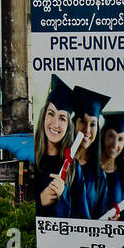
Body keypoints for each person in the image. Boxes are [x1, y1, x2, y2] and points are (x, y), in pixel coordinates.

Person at [28, 74, 77, 217]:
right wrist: (40, 201)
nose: (55, 124)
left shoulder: (73, 167)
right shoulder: (31, 159)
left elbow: (83, 219)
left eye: (62, 118)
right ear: (44, 116)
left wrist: (63, 195)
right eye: (51, 114)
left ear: (68, 126)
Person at [68, 85, 109, 219]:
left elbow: (101, 216)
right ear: (73, 123)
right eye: (82, 122)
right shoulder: (60, 162)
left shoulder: (99, 175)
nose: (87, 130)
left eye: (93, 124)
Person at [98, 111, 124, 219]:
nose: (115, 144)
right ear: (103, 135)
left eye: (120, 139)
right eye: (111, 136)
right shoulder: (90, 171)